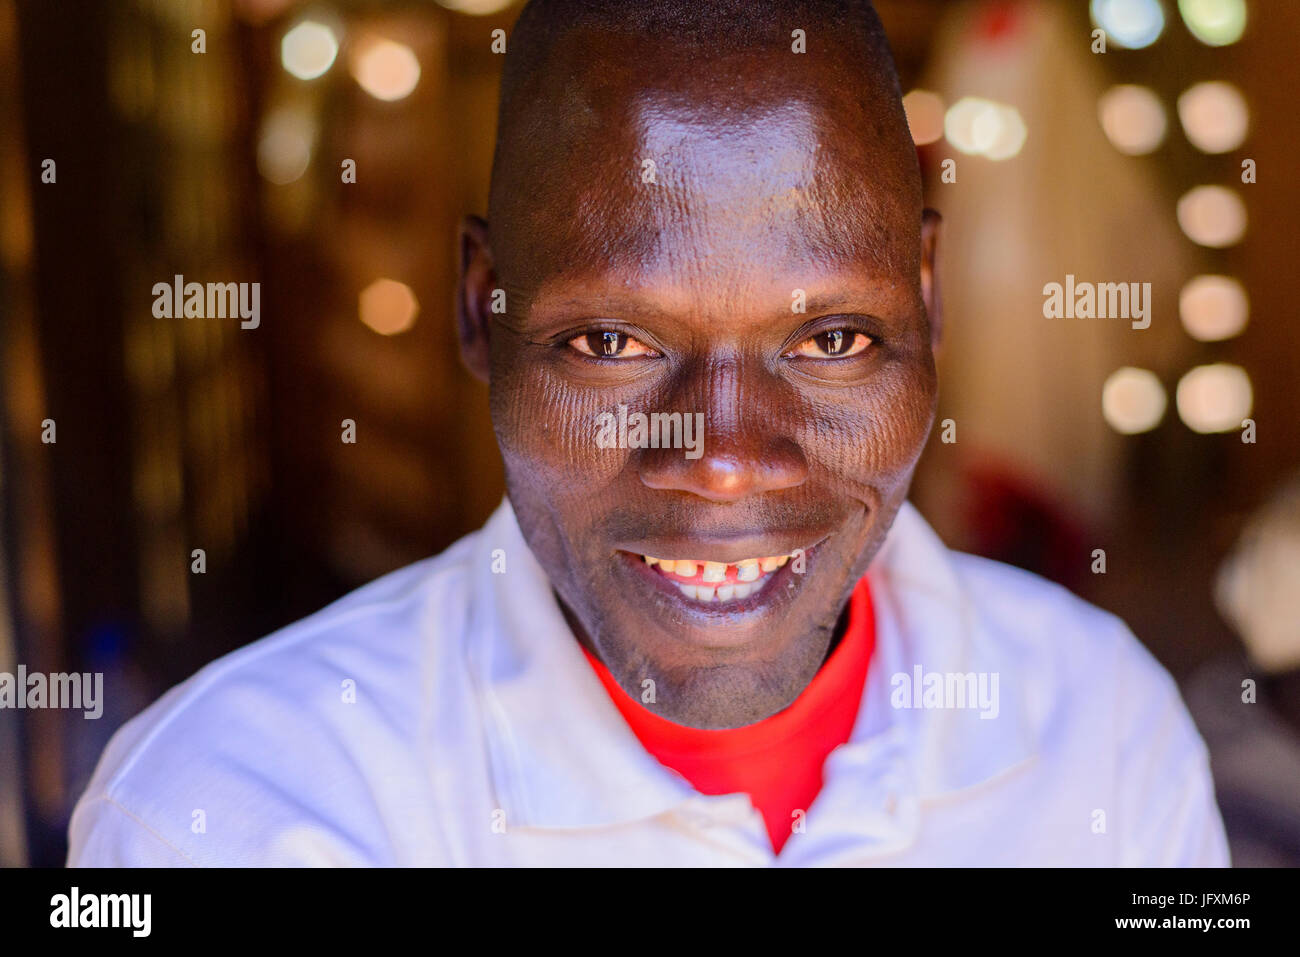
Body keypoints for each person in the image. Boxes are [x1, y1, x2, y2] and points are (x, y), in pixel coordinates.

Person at [68, 0, 1228, 866]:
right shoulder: (235, 809)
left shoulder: (1102, 735)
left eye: (829, 341)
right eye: (613, 341)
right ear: (483, 308)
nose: (722, 455)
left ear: (926, 307)